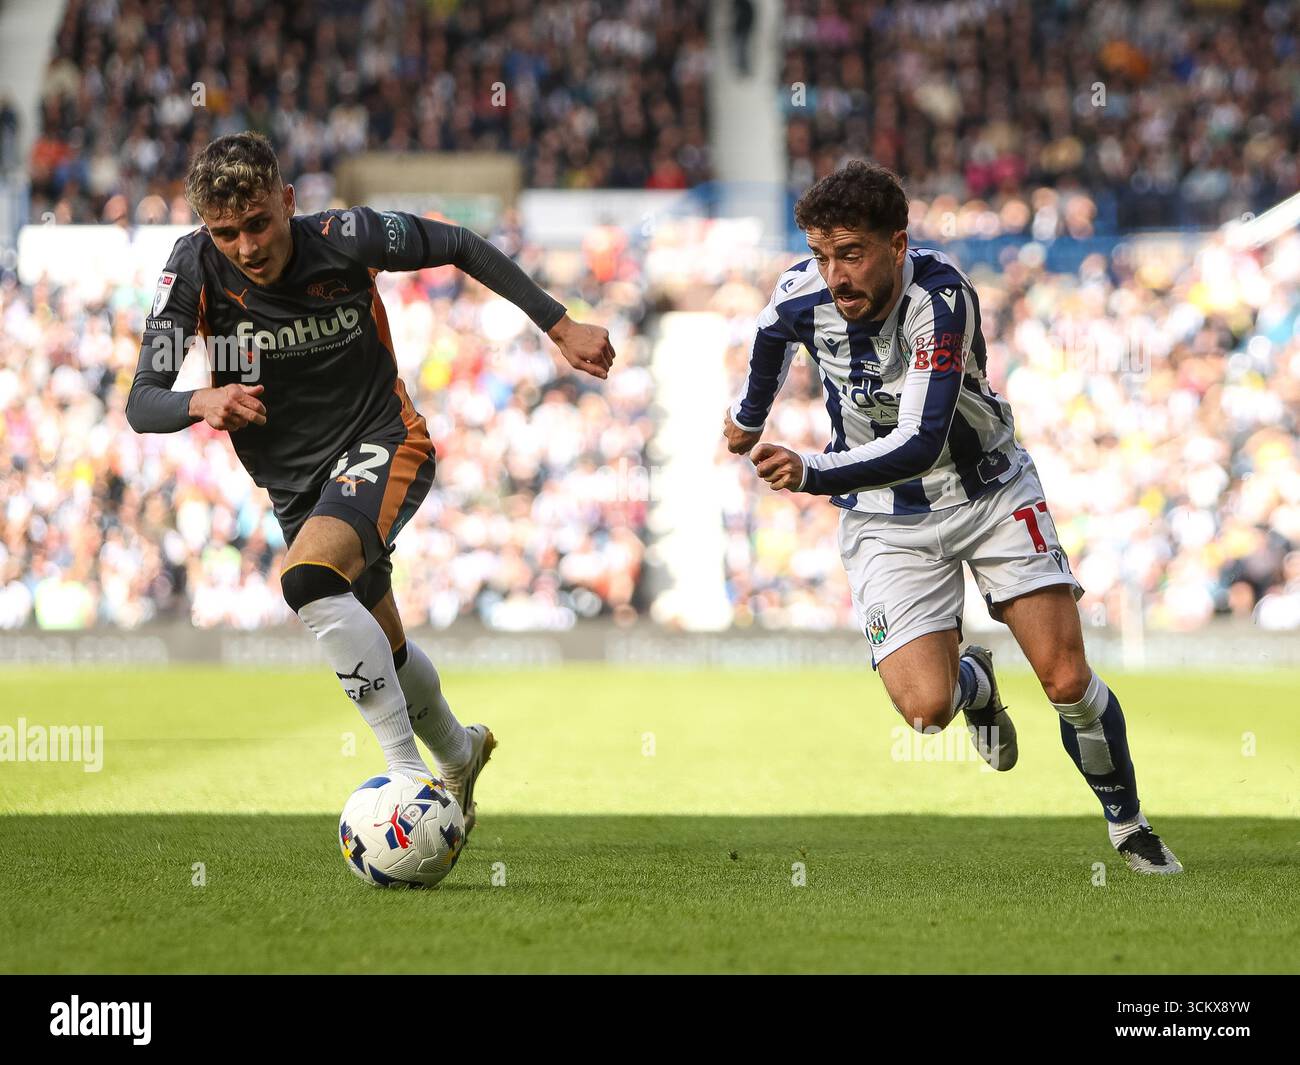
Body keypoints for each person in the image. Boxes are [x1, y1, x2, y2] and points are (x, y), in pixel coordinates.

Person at [128, 132, 615, 838]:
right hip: (296, 487)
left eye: (259, 222)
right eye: (225, 230)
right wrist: (198, 401)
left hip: (382, 441)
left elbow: (461, 245)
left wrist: (559, 323)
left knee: (306, 580)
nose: (246, 245)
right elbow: (144, 400)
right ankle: (457, 750)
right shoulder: (194, 270)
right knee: (381, 646)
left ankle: (407, 780)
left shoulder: (347, 236)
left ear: (288, 203)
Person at [723, 160, 1181, 874]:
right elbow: (768, 336)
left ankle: (1129, 826)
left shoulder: (941, 299)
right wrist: (745, 418)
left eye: (851, 254)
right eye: (821, 254)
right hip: (885, 516)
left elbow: (922, 440)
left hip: (989, 489)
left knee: (1065, 681)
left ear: (897, 245)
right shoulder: (802, 294)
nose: (834, 275)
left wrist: (812, 471)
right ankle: (975, 683)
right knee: (924, 710)